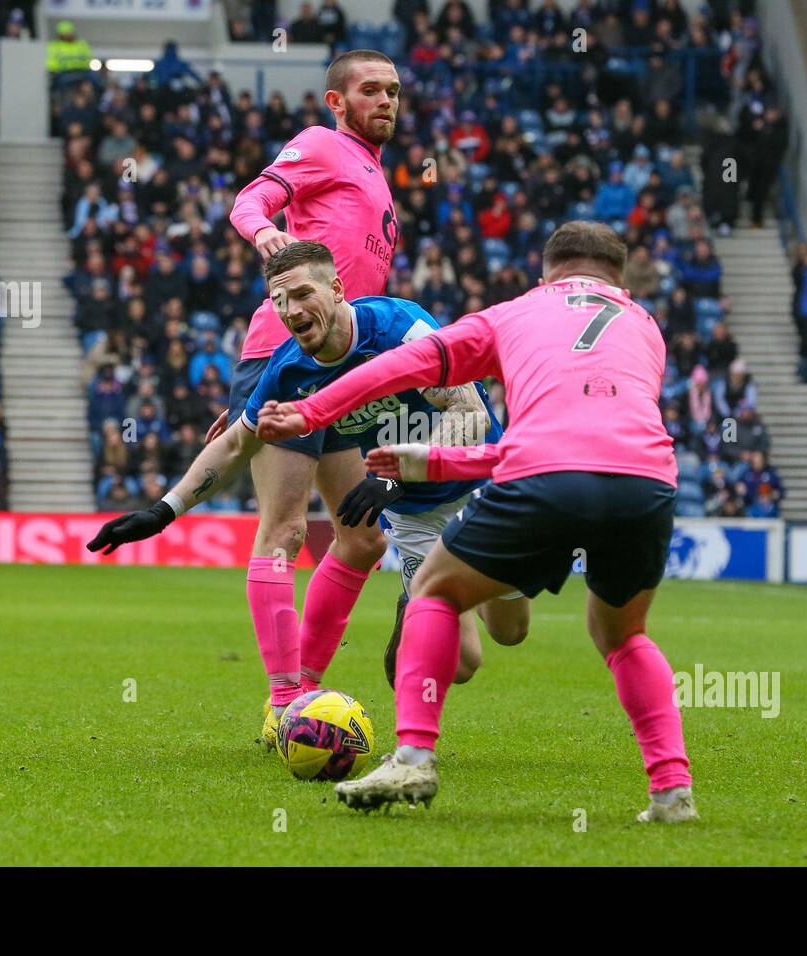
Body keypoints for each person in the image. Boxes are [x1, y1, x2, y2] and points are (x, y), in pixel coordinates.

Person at [256, 222, 696, 823]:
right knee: (624, 636)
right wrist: (434, 460)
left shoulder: (514, 314)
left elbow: (398, 370)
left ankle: (412, 757)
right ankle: (672, 793)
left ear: (546, 276)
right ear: (617, 280)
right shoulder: (646, 328)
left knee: (436, 592)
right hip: (647, 483)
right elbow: (596, 436)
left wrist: (310, 410)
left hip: (538, 477)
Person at [87, 242, 529, 744]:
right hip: (416, 515)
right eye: (280, 301)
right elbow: (235, 443)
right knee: (464, 664)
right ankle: (415, 625)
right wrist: (164, 509)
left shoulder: (401, 330)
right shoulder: (290, 370)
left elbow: (469, 415)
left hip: (486, 486)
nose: (292, 310)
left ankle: (437, 595)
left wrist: (393, 476)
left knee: (510, 631)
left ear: (337, 289)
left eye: (301, 294)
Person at [214, 50, 405, 741]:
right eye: (369, 90)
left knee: (359, 538)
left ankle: (308, 691)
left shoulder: (377, 177)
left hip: (348, 366)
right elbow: (249, 200)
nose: (385, 100)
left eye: (392, 90)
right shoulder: (324, 145)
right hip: (287, 356)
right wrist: (271, 239)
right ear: (336, 101)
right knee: (287, 528)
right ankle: (283, 699)